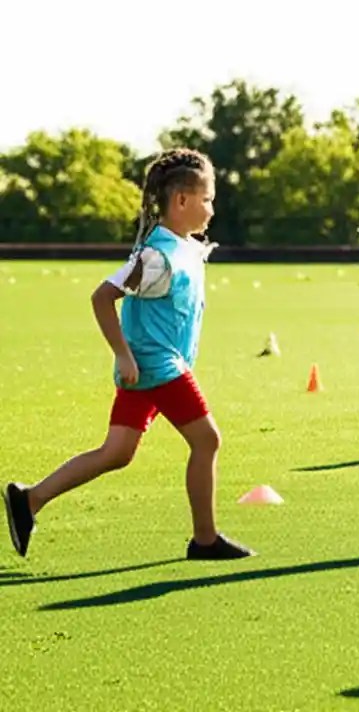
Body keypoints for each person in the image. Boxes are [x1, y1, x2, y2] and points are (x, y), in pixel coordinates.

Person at [4, 149, 253, 561]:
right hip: (157, 365)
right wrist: (123, 355)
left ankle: (29, 499)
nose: (212, 209)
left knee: (117, 453)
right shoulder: (156, 257)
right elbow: (103, 298)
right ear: (182, 201)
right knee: (207, 440)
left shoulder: (183, 246)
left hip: (152, 367)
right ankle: (205, 540)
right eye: (208, 199)